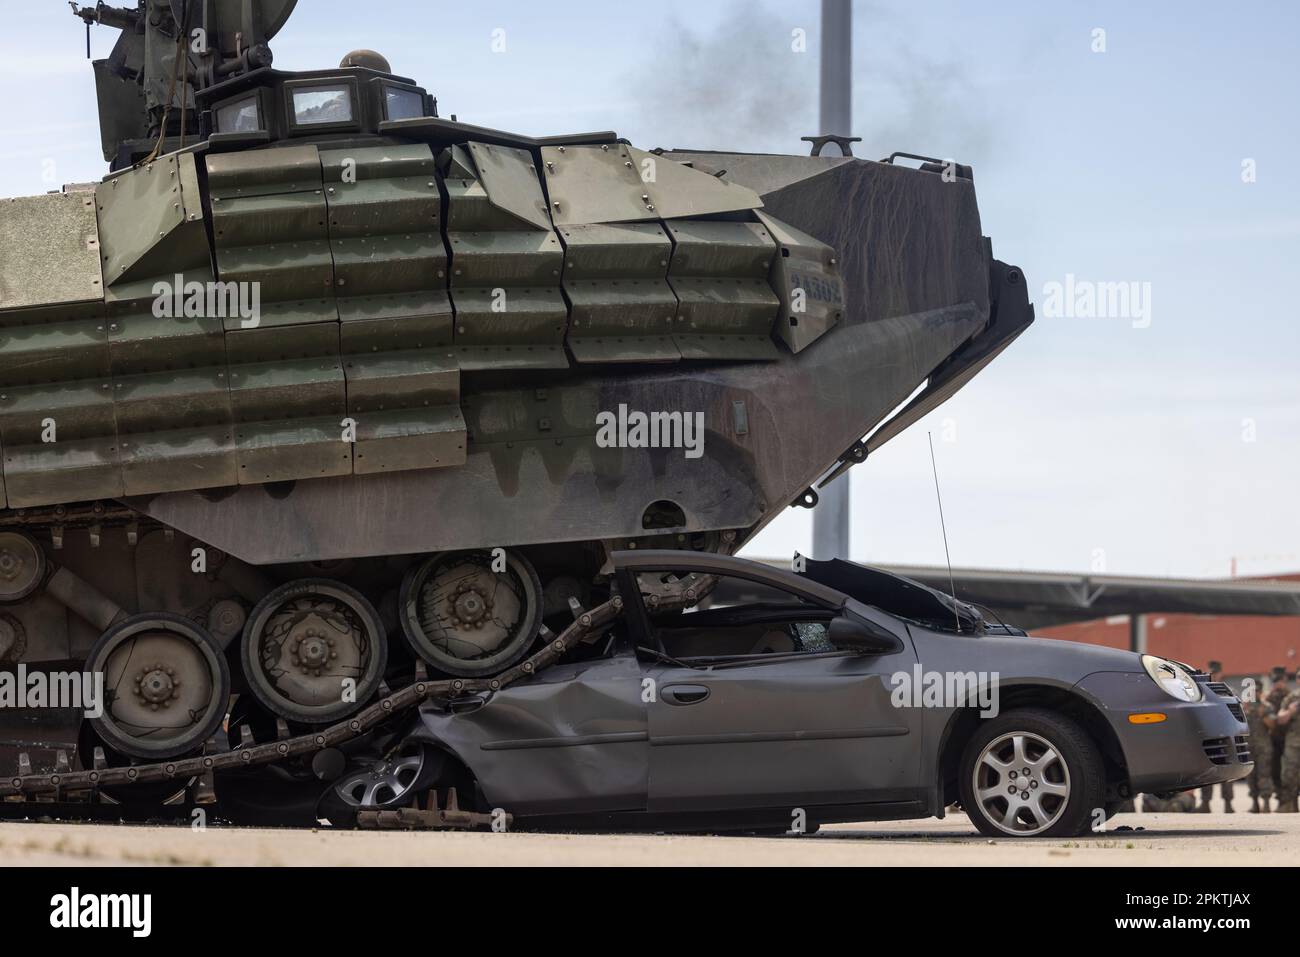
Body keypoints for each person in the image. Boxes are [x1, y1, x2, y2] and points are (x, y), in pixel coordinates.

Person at [1197, 661, 1235, 812]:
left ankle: (1228, 804)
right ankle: (1205, 803)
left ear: (1220, 674)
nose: (1212, 676)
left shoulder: (1229, 690)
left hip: (1225, 736)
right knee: (1207, 769)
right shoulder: (1201, 691)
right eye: (1210, 673)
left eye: (1215, 673)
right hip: (1209, 735)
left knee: (1228, 769)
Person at [1244, 676, 1277, 812]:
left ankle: (1266, 803)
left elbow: (1273, 725)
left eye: (1257, 690)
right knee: (1251, 776)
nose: (1255, 693)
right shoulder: (1245, 706)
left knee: (1264, 775)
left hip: (1263, 747)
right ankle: (1255, 803)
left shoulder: (1267, 707)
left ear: (1261, 691)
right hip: (1249, 747)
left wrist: (1263, 714)